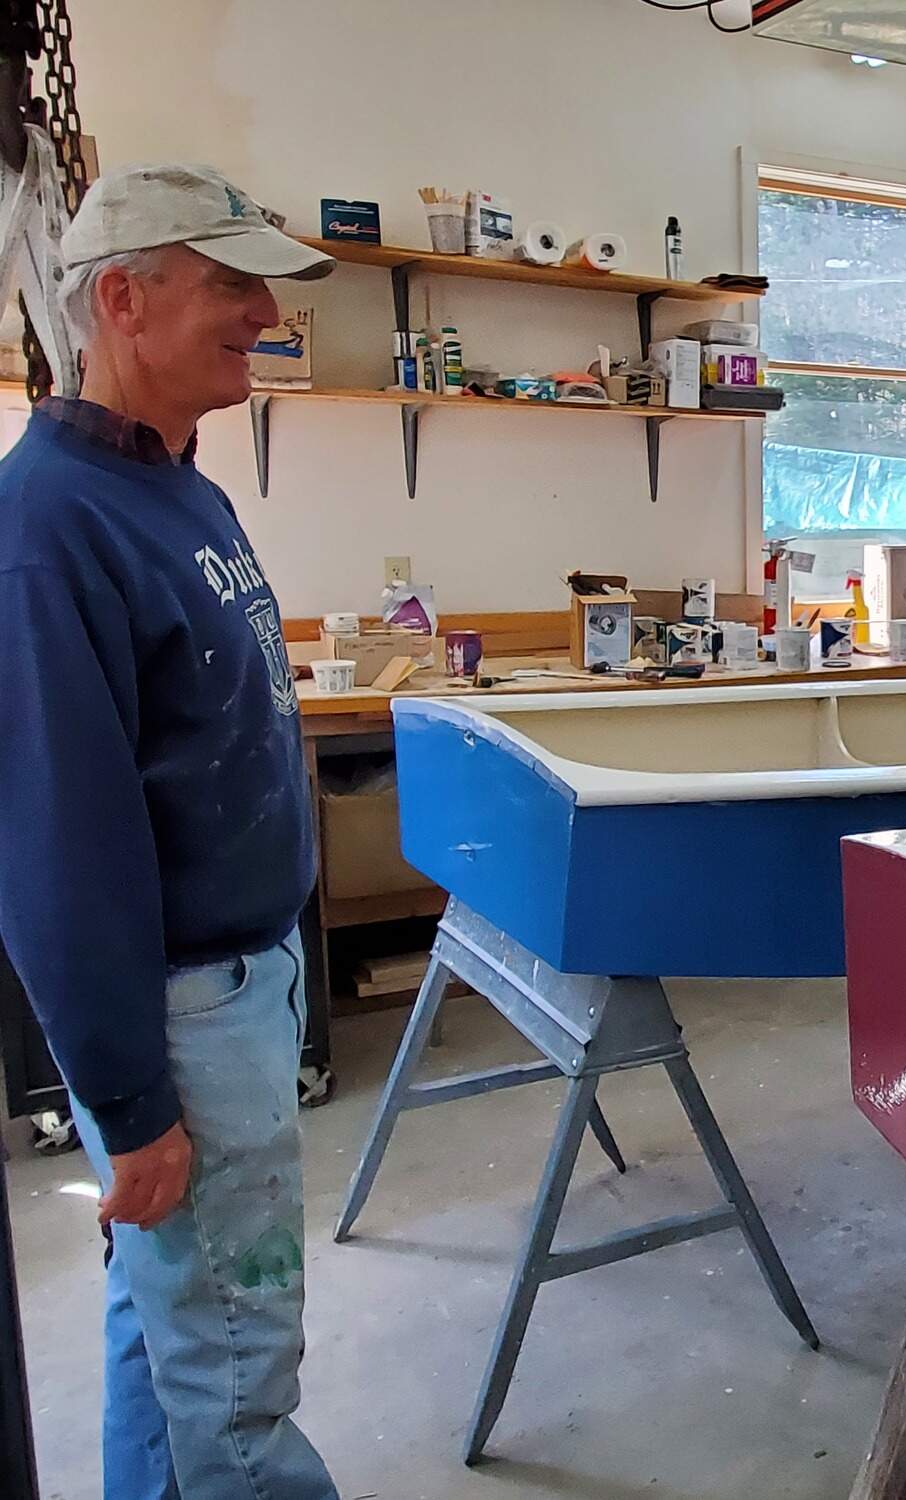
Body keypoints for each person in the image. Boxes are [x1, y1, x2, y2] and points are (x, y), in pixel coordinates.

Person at [0, 163, 339, 1497]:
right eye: (230, 283)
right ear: (125, 300)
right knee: (242, 1385)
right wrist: (133, 1106)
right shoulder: (46, 530)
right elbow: (54, 851)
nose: (263, 310)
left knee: (169, 1334)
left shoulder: (171, 481)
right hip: (187, 1016)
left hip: (241, 986)